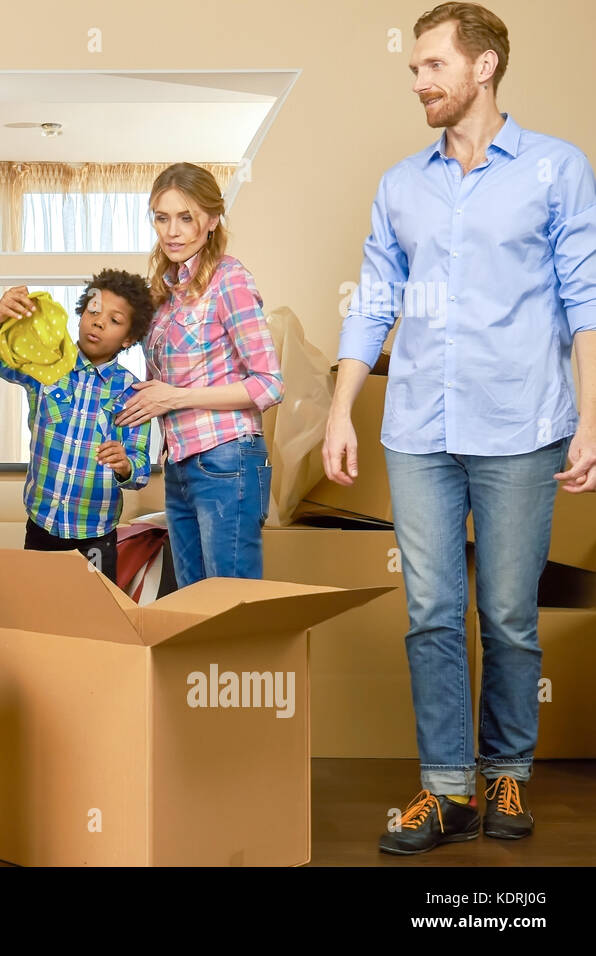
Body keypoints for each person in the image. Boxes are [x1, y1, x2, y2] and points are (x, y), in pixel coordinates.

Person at [323, 3, 596, 855]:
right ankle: (447, 791)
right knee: (432, 611)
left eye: (432, 65)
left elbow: (586, 298)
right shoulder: (401, 184)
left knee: (509, 612)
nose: (418, 82)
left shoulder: (557, 169)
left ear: (483, 68)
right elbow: (372, 300)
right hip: (417, 429)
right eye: (413, 69)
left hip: (522, 425)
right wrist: (340, 409)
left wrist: (593, 418)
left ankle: (506, 770)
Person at [115, 162, 283, 588]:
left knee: (229, 604)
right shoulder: (165, 293)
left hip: (227, 457)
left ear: (211, 219)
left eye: (185, 217)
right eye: (162, 217)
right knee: (193, 604)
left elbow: (269, 383)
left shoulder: (230, 280)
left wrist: (176, 397)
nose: (172, 230)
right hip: (180, 463)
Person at [0, 269, 154, 582]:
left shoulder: (131, 393)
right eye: (93, 311)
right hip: (41, 526)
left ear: (128, 338)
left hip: (95, 536)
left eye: (114, 320)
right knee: (38, 613)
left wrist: (125, 465)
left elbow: (139, 470)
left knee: (93, 619)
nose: (98, 322)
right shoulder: (46, 363)